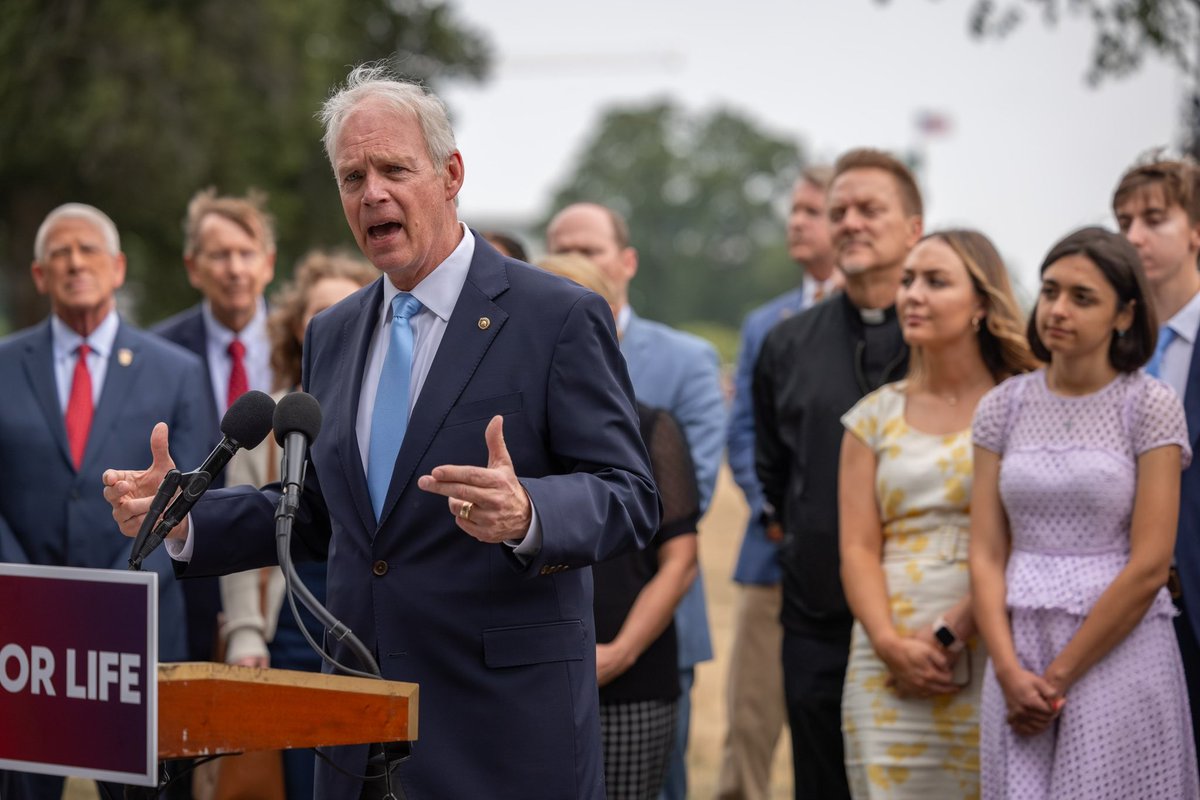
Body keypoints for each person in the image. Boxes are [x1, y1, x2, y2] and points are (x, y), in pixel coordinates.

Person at [103, 63, 659, 800]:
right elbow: (329, 516)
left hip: (500, 734)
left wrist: (530, 514)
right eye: (352, 176)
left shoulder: (555, 316)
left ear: (451, 172)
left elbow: (630, 496)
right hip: (356, 732)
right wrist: (183, 514)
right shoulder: (334, 331)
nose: (373, 194)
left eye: (394, 168)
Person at [970, 226, 1199, 799]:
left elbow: (1151, 563)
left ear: (1124, 314)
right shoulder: (1002, 407)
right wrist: (1007, 670)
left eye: (1082, 297)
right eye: (1049, 291)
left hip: (1116, 647)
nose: (1057, 309)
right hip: (1017, 646)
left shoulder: (1148, 406)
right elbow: (985, 550)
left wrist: (1058, 678)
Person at [0, 203, 210, 800]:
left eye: (87, 249)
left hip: (138, 625)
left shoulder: (176, 371)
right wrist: (20, 582)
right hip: (25, 630)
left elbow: (197, 495)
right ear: (39, 275)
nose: (73, 262)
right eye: (58, 253)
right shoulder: (4, 366)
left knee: (146, 786)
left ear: (117, 268)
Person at [838, 230, 1036, 798]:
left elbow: (1027, 537)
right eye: (907, 281)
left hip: (996, 640)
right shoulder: (871, 418)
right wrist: (890, 645)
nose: (912, 295)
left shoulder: (1022, 404)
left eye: (935, 281)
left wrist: (953, 629)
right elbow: (856, 548)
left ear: (981, 303)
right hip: (886, 650)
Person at [754, 148, 922, 799]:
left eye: (869, 209)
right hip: (817, 615)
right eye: (839, 210)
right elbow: (774, 468)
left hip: (929, 614)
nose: (849, 222)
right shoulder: (786, 344)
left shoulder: (959, 335)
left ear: (914, 227)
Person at [546, 201, 726, 800]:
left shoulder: (678, 376)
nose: (571, 261)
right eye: (559, 248)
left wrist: (622, 648)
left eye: (587, 250)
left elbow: (676, 514)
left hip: (640, 639)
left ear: (625, 263)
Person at [216, 249, 378, 800]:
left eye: (346, 307)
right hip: (287, 628)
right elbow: (245, 527)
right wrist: (244, 635)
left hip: (365, 623)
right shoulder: (276, 416)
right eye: (318, 314)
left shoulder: (386, 410)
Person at [718, 165, 840, 800]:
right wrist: (774, 507)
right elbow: (742, 432)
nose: (797, 221)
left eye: (813, 211)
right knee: (749, 724)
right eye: (795, 209)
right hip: (772, 550)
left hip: (860, 564)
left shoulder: (893, 313)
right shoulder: (767, 323)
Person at [153, 188, 278, 665]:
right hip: (188, 575)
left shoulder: (308, 344)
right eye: (219, 254)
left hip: (275, 573)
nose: (234, 268)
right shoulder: (158, 353)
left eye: (246, 253)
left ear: (268, 262)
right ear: (193, 267)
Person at [1112, 155, 1200, 756]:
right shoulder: (1112, 354)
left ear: (1196, 229)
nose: (1134, 236)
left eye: (1154, 218)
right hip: (1128, 619)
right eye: (1122, 222)